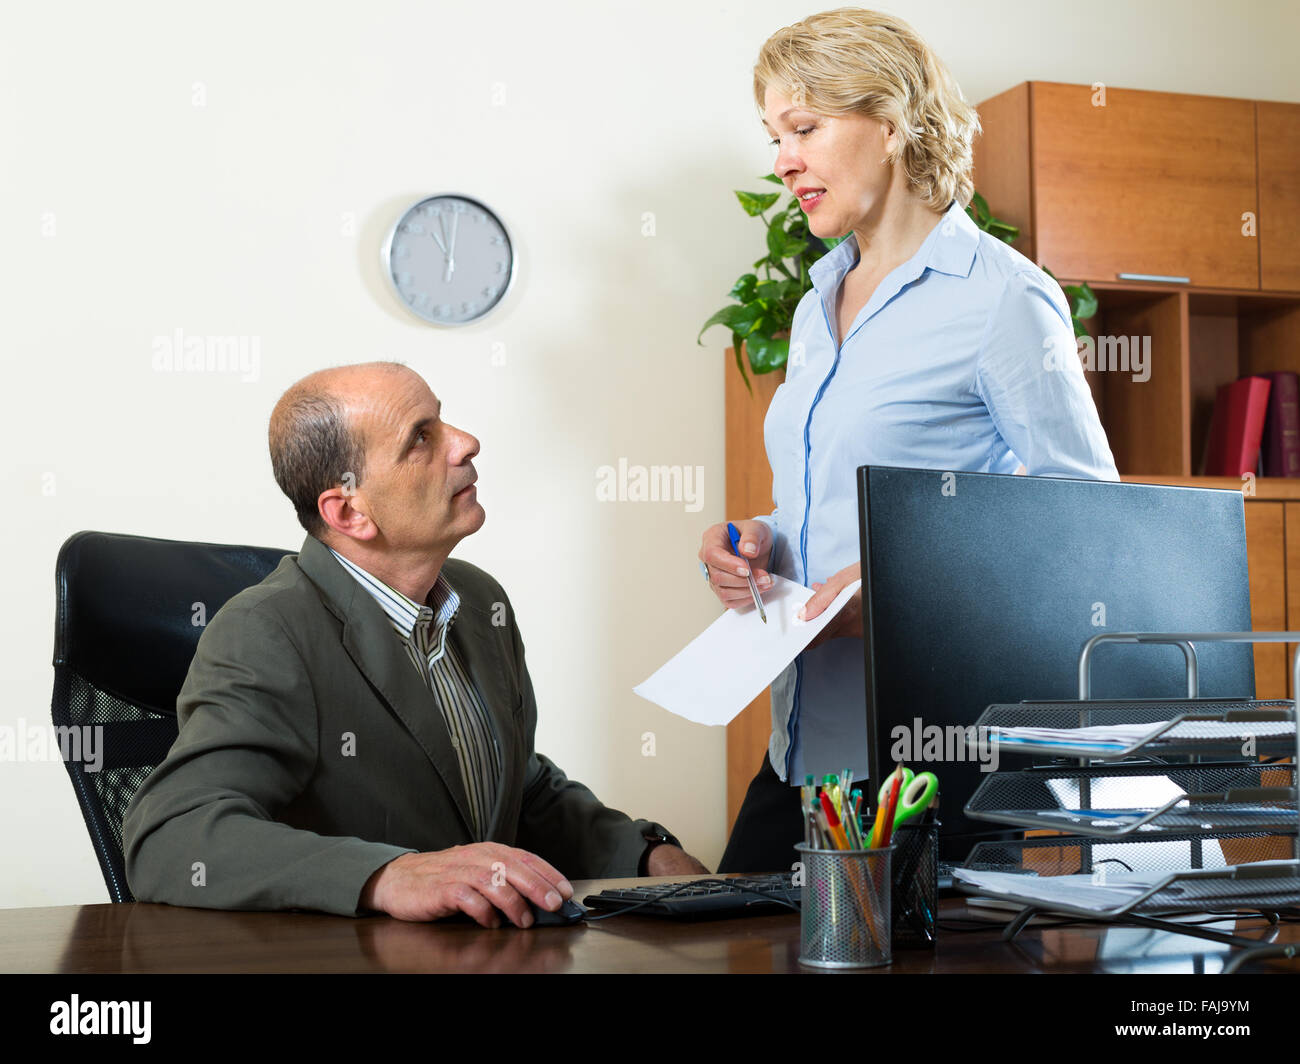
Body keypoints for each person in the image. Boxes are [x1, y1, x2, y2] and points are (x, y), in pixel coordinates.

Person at [699, 8, 1119, 873]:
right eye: (776, 136)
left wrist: (897, 587)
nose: (783, 161)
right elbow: (834, 500)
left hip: (931, 767)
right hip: (803, 747)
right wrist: (753, 546)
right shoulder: (818, 302)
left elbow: (1089, 521)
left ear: (889, 125)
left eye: (804, 129)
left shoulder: (1002, 298)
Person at [124, 361, 706, 926]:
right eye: (420, 439)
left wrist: (643, 854)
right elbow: (173, 837)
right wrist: (387, 876)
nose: (466, 443)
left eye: (442, 420)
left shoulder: (481, 602)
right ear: (350, 511)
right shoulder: (267, 630)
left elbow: (519, 790)